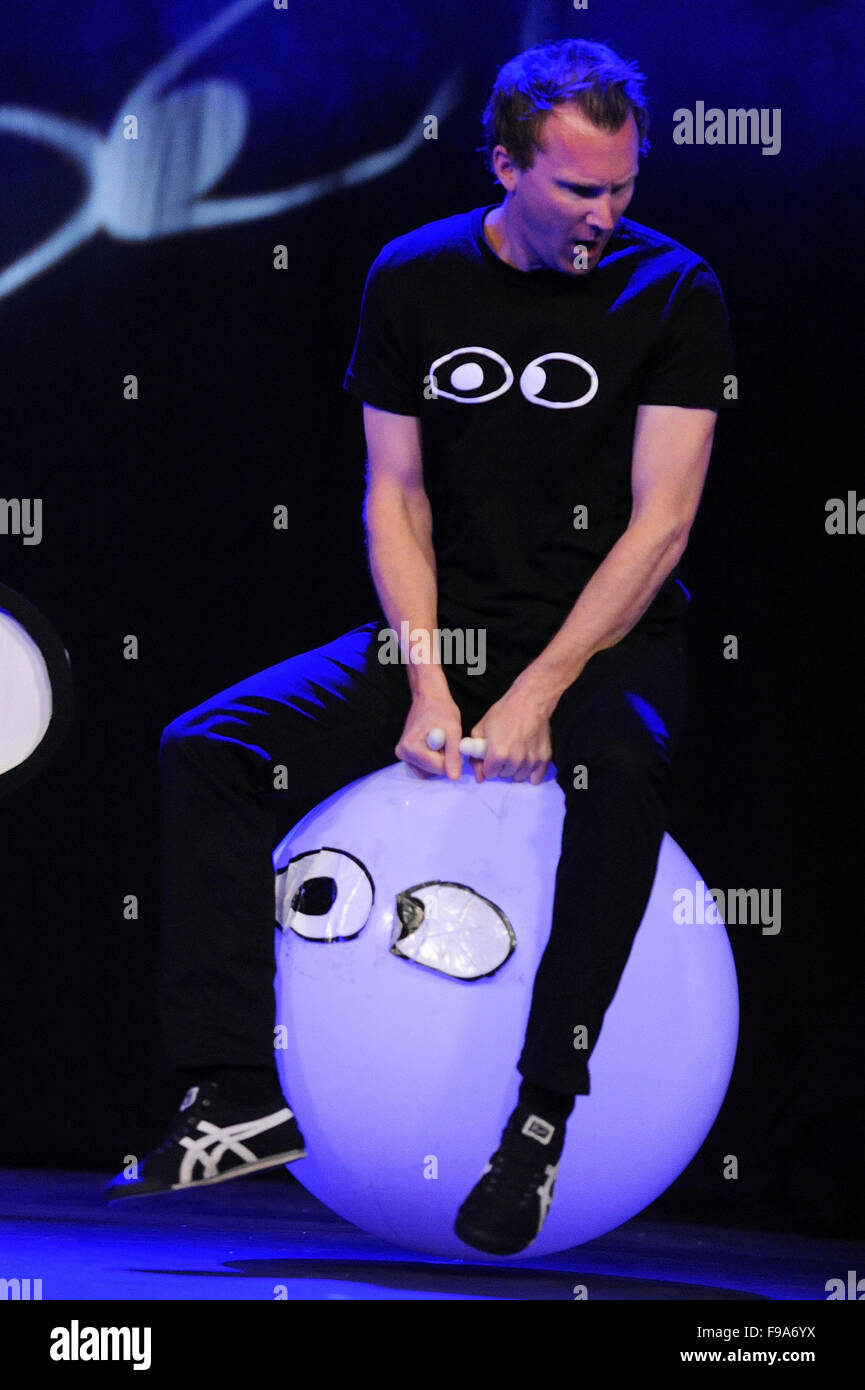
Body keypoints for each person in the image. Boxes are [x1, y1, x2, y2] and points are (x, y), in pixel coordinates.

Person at [106, 37, 733, 1256]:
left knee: (621, 775)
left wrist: (542, 688)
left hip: (603, 638)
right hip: (449, 626)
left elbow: (663, 524)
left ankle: (539, 1123)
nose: (605, 213)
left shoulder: (677, 290)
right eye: (577, 189)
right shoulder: (413, 277)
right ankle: (235, 1093)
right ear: (504, 166)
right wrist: (434, 679)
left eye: (622, 186)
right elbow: (393, 494)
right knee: (212, 746)